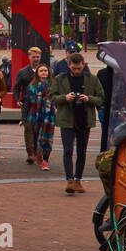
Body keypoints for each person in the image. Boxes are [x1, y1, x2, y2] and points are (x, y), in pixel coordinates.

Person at [49, 53, 103, 195]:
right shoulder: (60, 79)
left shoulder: (92, 79)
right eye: (74, 68)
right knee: (68, 150)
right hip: (67, 119)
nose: (77, 70)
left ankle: (78, 179)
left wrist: (89, 98)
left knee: (82, 151)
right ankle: (70, 180)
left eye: (79, 68)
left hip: (84, 119)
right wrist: (64, 98)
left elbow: (101, 98)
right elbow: (52, 97)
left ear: (83, 65)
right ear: (69, 65)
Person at [21, 64, 56, 171]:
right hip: (34, 115)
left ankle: (45, 160)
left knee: (47, 138)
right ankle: (36, 154)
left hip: (48, 116)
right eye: (41, 71)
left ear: (49, 73)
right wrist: (23, 118)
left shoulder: (53, 86)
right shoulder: (32, 87)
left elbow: (57, 100)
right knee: (35, 136)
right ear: (37, 74)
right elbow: (27, 103)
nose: (44, 73)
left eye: (45, 70)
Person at [12, 47, 45, 163]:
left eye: (37, 57)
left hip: (41, 105)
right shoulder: (23, 72)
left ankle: (36, 151)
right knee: (28, 128)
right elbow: (16, 87)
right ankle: (30, 152)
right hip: (28, 104)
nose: (36, 59)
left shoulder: (44, 71)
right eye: (33, 57)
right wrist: (17, 100)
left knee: (38, 130)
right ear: (29, 57)